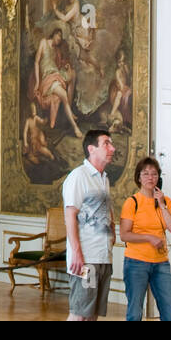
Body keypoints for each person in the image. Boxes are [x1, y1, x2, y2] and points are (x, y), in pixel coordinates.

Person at [62, 129, 116, 321]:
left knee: (93, 315)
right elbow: (70, 215)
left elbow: (106, 209)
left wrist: (113, 230)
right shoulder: (79, 176)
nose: (112, 148)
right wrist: (77, 253)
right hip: (87, 260)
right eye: (106, 143)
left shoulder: (104, 178)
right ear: (91, 149)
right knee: (80, 313)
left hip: (103, 257)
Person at [119, 156, 171, 321]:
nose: (150, 177)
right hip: (136, 263)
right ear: (138, 178)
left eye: (154, 174)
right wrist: (148, 238)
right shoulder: (132, 202)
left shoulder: (165, 201)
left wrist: (162, 204)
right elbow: (124, 234)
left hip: (161, 263)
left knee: (170, 313)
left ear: (158, 178)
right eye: (145, 174)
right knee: (135, 313)